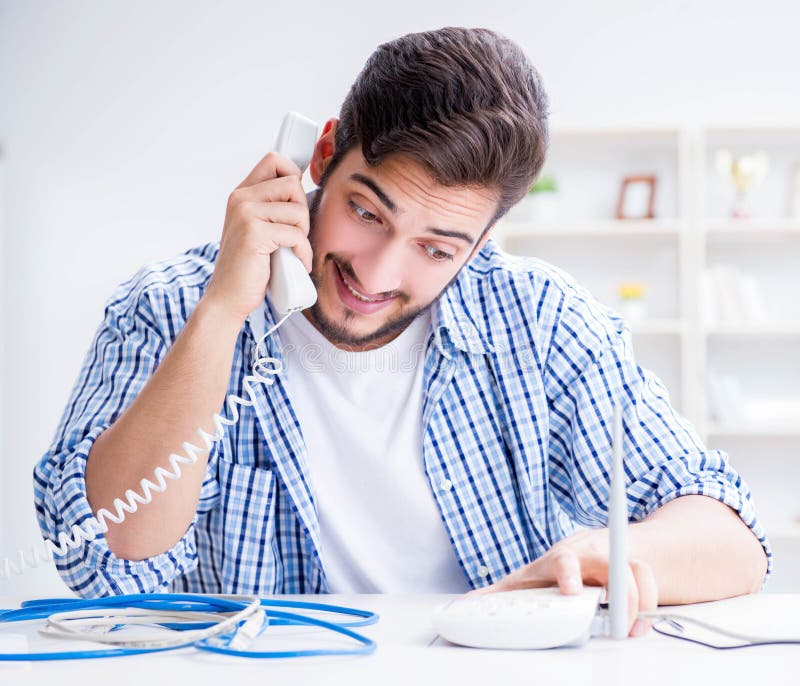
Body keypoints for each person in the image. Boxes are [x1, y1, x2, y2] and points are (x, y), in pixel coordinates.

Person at [34, 27, 770, 637]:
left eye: (438, 248)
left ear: (481, 244)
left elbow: (733, 539)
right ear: (318, 157)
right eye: (366, 212)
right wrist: (224, 314)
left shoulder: (540, 319)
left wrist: (602, 555)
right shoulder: (169, 308)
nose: (379, 274)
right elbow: (111, 561)